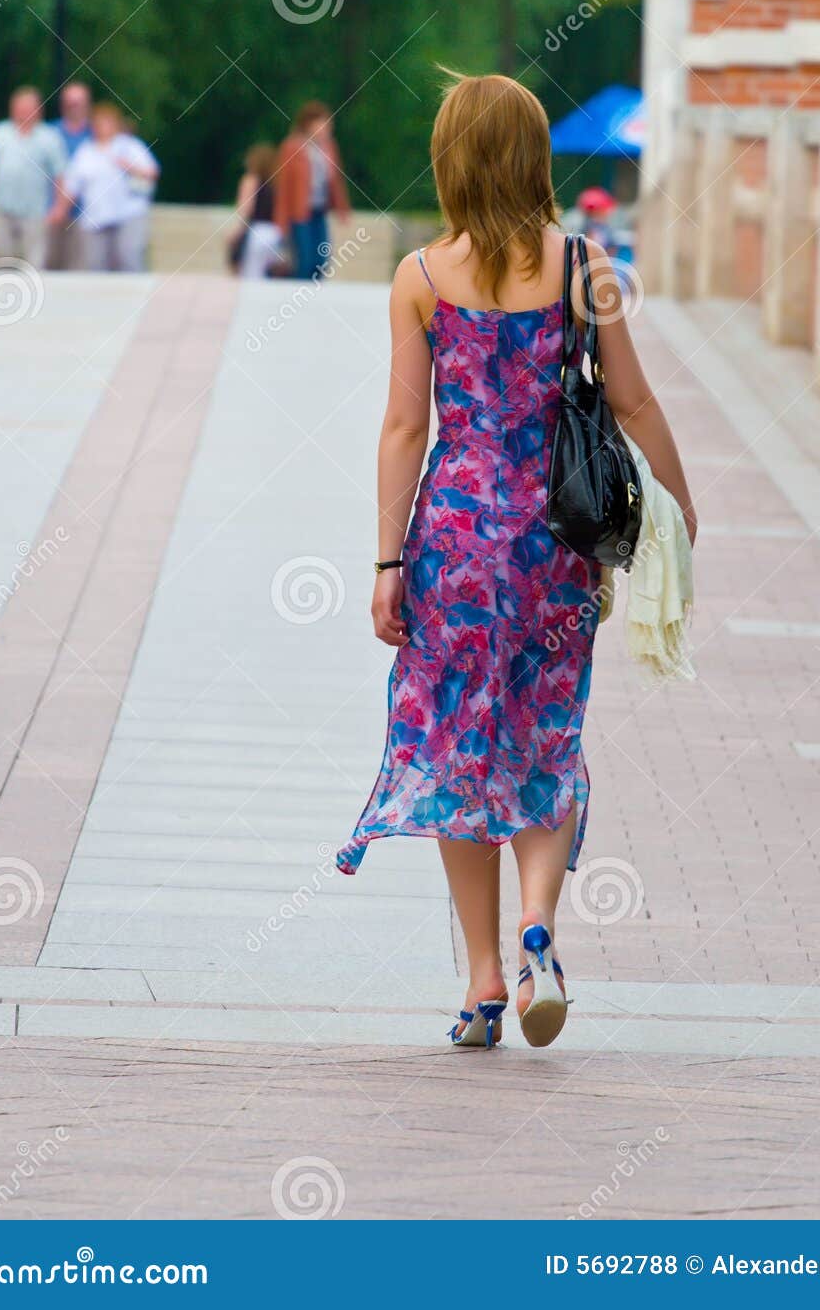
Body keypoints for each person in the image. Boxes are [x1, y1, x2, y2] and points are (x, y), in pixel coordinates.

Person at [337, 73, 696, 1050]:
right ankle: (539, 932)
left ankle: (482, 977)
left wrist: (383, 561)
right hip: (553, 555)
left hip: (453, 551)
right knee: (543, 737)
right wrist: (676, 508)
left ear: (452, 160)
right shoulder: (587, 267)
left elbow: (405, 425)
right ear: (534, 159)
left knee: (459, 751)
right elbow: (632, 404)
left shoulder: (419, 276)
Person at [0, 87, 69, 269]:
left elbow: (60, 174)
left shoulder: (50, 137)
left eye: (28, 108)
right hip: (3, 209)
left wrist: (59, 206)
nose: (23, 112)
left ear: (38, 110)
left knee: (35, 265)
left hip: (35, 212)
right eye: (20, 107)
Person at [63, 103, 159, 273]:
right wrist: (61, 210)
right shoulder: (86, 151)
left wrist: (129, 166)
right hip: (96, 217)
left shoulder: (129, 146)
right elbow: (72, 185)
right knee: (95, 263)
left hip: (129, 214)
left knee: (129, 258)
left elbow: (152, 172)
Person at [274, 101, 350, 281]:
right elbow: (284, 186)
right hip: (300, 213)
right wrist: (281, 220)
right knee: (305, 260)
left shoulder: (329, 147)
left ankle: (313, 301)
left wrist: (342, 208)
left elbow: (336, 181)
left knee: (322, 260)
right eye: (322, 123)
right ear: (309, 124)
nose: (327, 128)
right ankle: (296, 298)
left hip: (319, 210)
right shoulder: (292, 147)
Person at [49, 81, 93, 270]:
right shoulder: (50, 133)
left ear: (87, 105)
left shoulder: (96, 134)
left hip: (86, 214)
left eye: (78, 103)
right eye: (70, 103)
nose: (73, 108)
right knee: (48, 266)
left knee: (78, 270)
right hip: (50, 212)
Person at [230, 143, 288, 279]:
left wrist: (235, 235)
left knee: (251, 277)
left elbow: (245, 211)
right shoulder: (277, 184)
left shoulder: (250, 181)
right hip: (275, 233)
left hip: (256, 233)